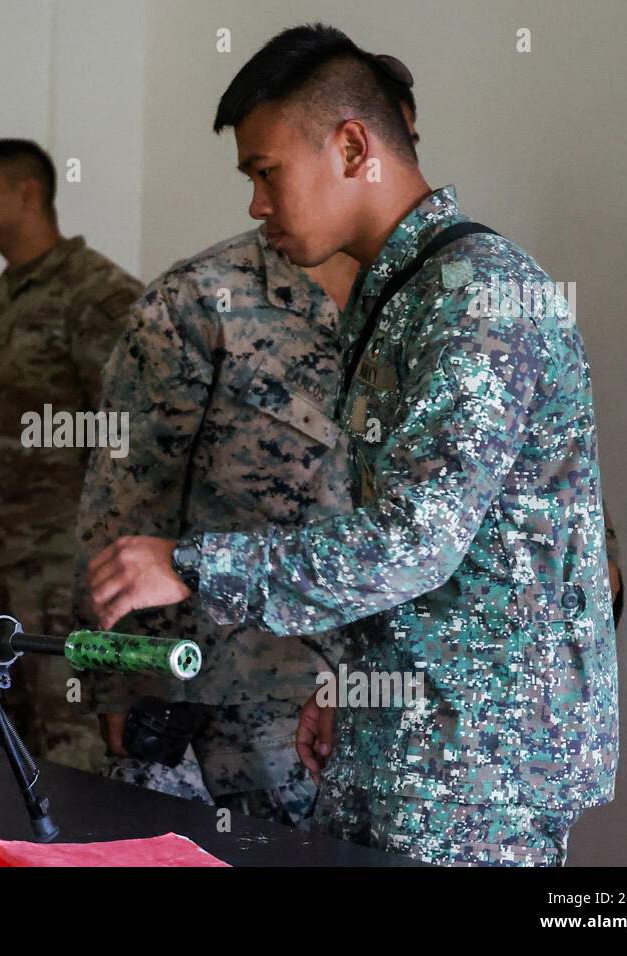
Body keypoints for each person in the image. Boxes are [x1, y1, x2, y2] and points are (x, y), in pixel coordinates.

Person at [86, 24, 617, 865]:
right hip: (405, 743)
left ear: (352, 145)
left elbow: (416, 540)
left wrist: (192, 563)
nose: (258, 204)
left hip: (472, 774)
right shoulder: (403, 296)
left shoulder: (476, 296)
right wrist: (358, 685)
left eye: (267, 172)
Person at [74, 57, 420, 827]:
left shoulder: (433, 308)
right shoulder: (199, 303)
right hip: (232, 711)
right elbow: (123, 509)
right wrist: (117, 679)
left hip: (391, 711)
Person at [0, 139, 143, 772]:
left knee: (74, 749)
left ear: (28, 193)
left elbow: (133, 437)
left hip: (68, 575)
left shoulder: (97, 295)